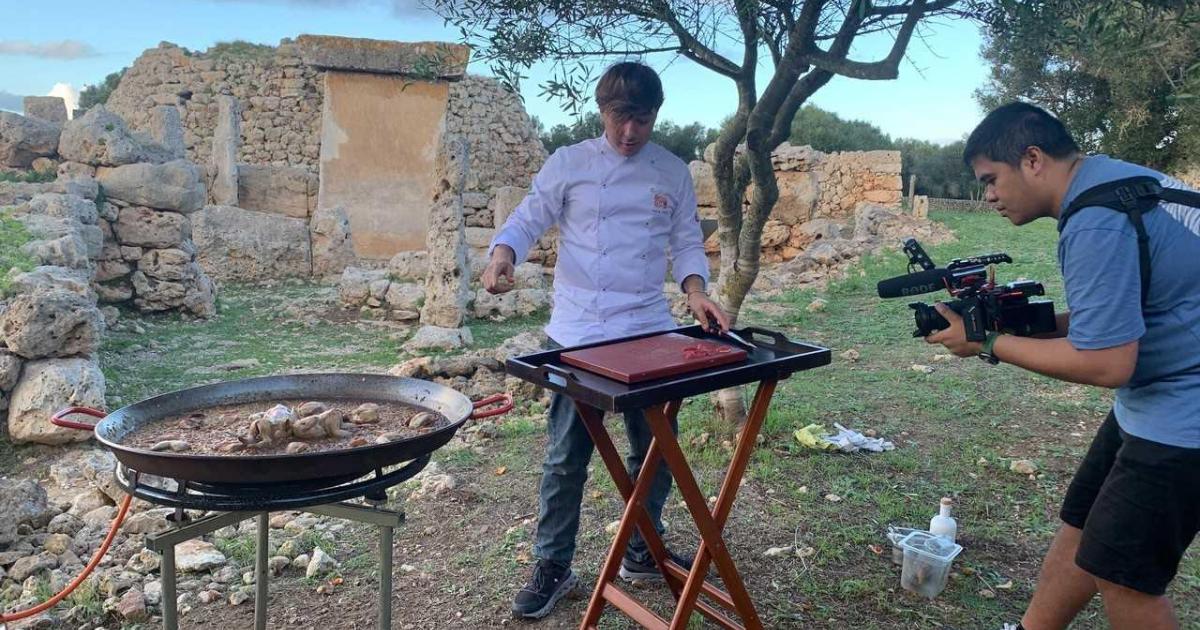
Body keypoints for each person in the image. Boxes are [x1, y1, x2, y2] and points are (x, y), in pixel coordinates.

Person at [929, 102, 1200, 630]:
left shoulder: (1095, 220)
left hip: (1185, 412)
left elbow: (1107, 362)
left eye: (991, 180)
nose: (988, 197)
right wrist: (1027, 324)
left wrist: (987, 342)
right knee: (1081, 525)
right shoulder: (1115, 183)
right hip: (1158, 398)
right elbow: (1117, 315)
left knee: (1123, 573)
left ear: (1032, 159)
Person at [481, 61, 731, 620]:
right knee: (567, 458)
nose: (629, 133)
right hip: (578, 333)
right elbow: (527, 218)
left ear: (654, 118)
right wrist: (503, 254)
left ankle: (643, 551)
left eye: (641, 121)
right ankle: (553, 565)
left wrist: (695, 292)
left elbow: (687, 239)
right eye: (621, 119)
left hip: (647, 329)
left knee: (656, 452)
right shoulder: (570, 163)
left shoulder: (670, 171)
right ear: (603, 112)